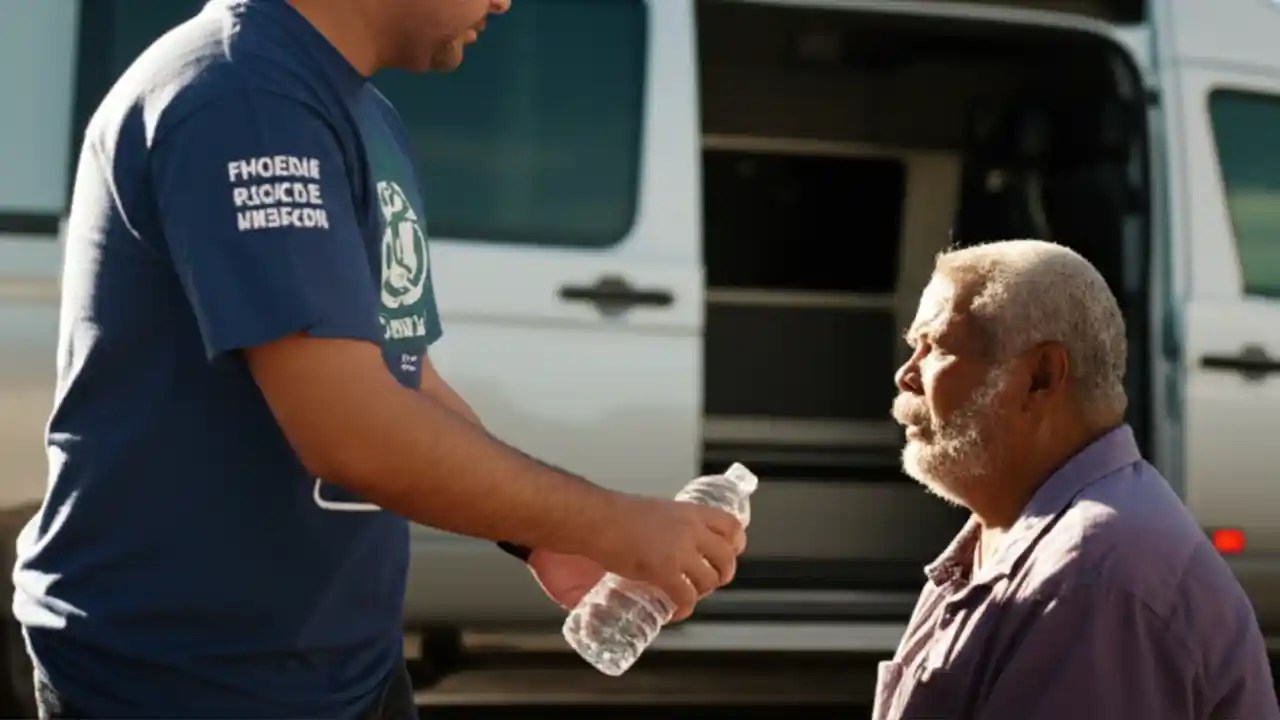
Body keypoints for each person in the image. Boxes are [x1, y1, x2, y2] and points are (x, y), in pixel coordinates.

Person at [12, 0, 747, 717]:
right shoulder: (245, 98)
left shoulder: (353, 109)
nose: (503, 2)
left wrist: (544, 537)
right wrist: (614, 526)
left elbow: (408, 380)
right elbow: (351, 433)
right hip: (188, 679)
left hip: (341, 672)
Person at [878, 239, 1278, 720]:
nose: (907, 374)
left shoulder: (1095, 576)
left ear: (1041, 376)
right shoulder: (1022, 542)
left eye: (937, 348)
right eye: (914, 347)